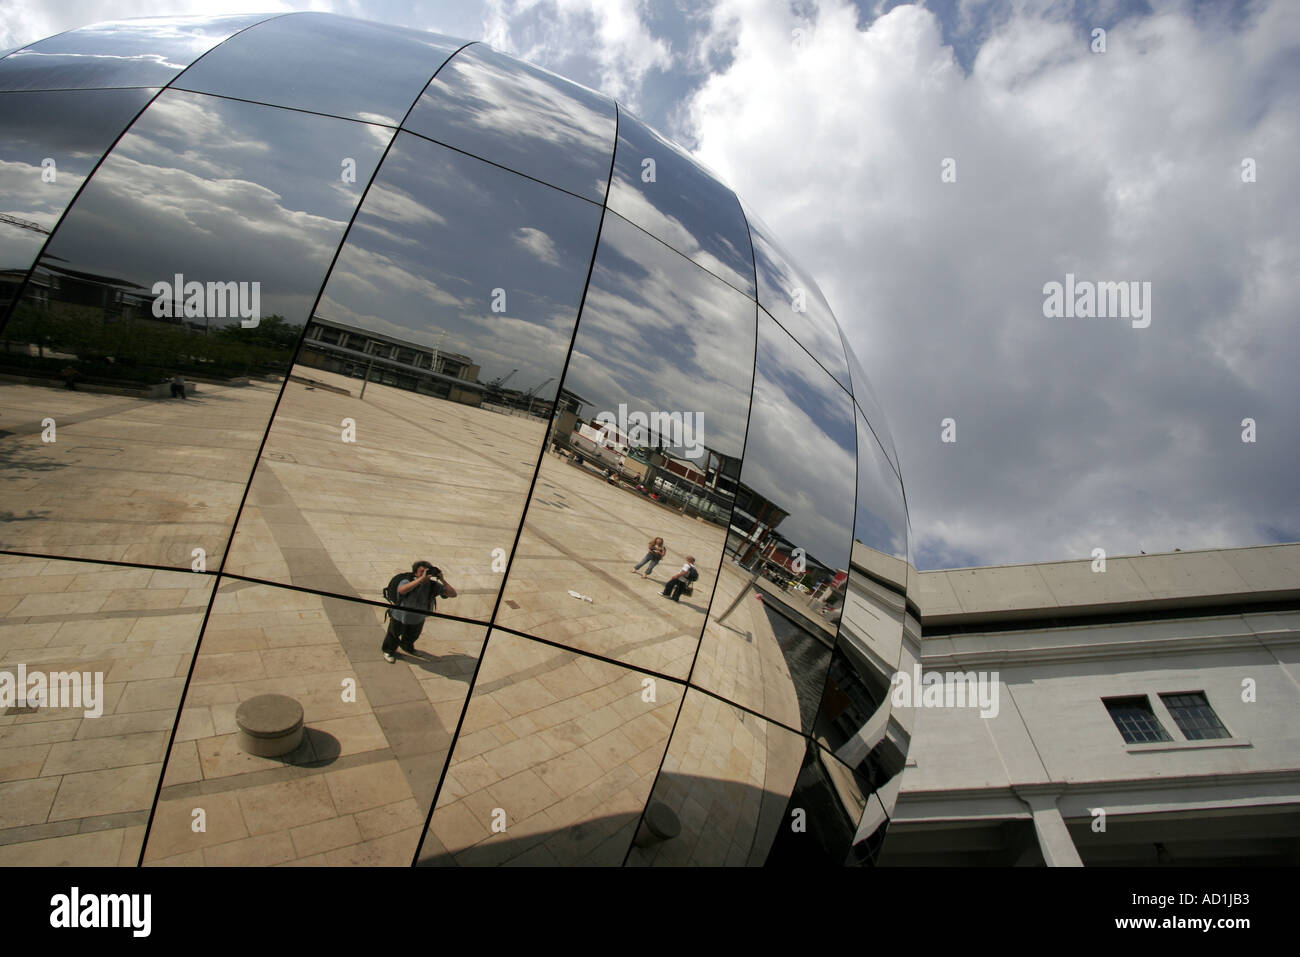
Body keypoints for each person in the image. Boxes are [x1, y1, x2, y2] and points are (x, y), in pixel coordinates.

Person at [382, 560, 456, 662]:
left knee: (412, 636)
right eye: (421, 571)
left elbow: (453, 594)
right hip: (400, 616)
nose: (424, 574)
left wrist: (442, 579)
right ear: (415, 573)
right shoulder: (407, 581)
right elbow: (402, 590)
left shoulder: (433, 585)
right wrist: (420, 580)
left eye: (426, 571)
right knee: (393, 634)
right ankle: (388, 651)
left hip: (418, 618)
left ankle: (407, 647)